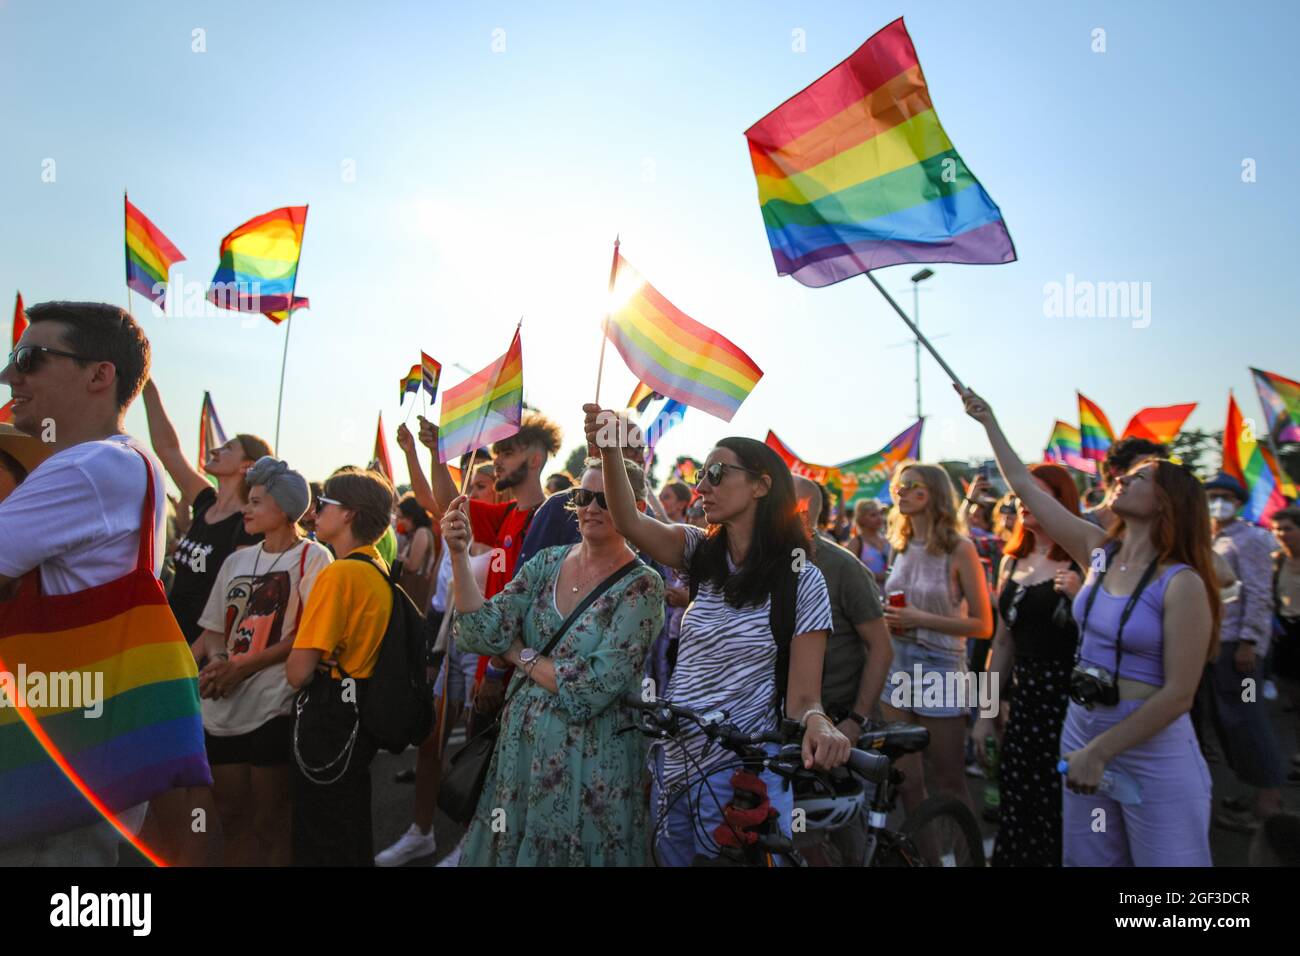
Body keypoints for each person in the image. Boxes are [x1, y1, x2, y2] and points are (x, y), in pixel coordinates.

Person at [960, 385, 1219, 867]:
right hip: (1080, 729)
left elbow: (1180, 694)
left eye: (1140, 477)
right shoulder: (1099, 551)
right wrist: (989, 421)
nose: (1121, 479)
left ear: (1168, 503)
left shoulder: (1182, 583)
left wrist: (1102, 751)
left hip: (1148, 746)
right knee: (1090, 858)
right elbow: (1026, 488)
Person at [582, 404, 849, 866]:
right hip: (675, 760)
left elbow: (805, 698)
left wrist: (820, 723)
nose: (702, 485)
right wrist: (608, 452)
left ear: (763, 485)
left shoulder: (801, 578)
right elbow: (629, 521)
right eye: (703, 474)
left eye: (717, 473)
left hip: (743, 773)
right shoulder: (698, 551)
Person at [0, 301, 212, 866]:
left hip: (46, 779)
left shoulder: (91, 467)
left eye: (30, 357)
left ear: (100, 375)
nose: (10, 374)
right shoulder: (125, 461)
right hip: (77, 760)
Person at [441, 457, 665, 864]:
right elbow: (483, 629)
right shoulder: (546, 563)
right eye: (583, 496)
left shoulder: (644, 586)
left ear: (638, 510)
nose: (592, 507)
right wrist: (459, 555)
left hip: (592, 768)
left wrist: (519, 653)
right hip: (519, 756)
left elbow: (590, 688)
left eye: (607, 498)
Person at [193, 457, 331, 866]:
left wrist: (243, 668)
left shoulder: (314, 557)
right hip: (222, 706)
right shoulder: (236, 561)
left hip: (274, 707)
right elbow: (215, 626)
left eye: (256, 502)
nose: (247, 510)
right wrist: (220, 662)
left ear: (286, 510)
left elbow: (307, 634)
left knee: (271, 824)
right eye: (246, 502)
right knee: (232, 819)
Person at [286, 467, 398, 866]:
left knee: (318, 838)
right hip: (360, 716)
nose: (315, 511)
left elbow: (298, 672)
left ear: (348, 513)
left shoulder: (338, 574)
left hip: (328, 719)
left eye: (324, 504)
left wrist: (308, 660)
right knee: (349, 833)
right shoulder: (377, 570)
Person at [973, 463, 1082, 866]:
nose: (1022, 503)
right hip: (1026, 705)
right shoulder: (1011, 561)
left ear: (1061, 501)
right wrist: (986, 715)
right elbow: (1002, 644)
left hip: (1073, 706)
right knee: (1019, 809)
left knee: (1065, 814)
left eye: (1035, 494)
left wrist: (1082, 596)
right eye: (1019, 495)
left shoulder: (1084, 560)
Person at [877, 461, 994, 819]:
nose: (901, 491)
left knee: (949, 783)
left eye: (912, 485)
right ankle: (926, 859)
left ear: (934, 494)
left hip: (940, 667)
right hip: (897, 664)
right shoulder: (900, 544)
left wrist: (920, 618)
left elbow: (983, 625)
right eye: (899, 485)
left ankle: (966, 855)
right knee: (907, 781)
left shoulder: (959, 548)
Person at [792, 477, 892, 863]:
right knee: (801, 832)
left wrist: (856, 720)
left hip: (844, 723)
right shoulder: (764, 561)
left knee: (851, 840)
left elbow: (881, 648)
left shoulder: (842, 566)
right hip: (795, 723)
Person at [140, 378, 271, 643]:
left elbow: (237, 604)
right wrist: (146, 384)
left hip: (200, 653)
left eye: (227, 448)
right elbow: (168, 450)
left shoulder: (247, 526)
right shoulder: (205, 502)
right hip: (166, 637)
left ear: (247, 465)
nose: (215, 450)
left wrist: (202, 653)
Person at [1201, 473, 1287, 832]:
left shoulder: (1250, 538)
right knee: (1229, 723)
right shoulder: (1209, 538)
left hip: (1241, 649)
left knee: (1248, 719)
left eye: (1225, 496)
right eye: (1212, 495)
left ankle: (1270, 801)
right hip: (1216, 645)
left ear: (1238, 502)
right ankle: (1255, 792)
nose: (1218, 502)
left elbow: (1259, 593)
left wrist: (1250, 642)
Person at [1270, 506, 1300, 783]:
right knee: (1292, 690)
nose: (1282, 534)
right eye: (1277, 529)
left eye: (1288, 528)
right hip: (1287, 634)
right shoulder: (1276, 561)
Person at [1084, 437, 1167, 531]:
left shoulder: (1163, 533)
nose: (1154, 482)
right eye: (1140, 473)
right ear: (1117, 471)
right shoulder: (1076, 528)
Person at [393, 493, 440, 615]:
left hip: (416, 593)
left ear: (411, 517)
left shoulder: (422, 532)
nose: (399, 521)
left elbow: (413, 565)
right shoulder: (415, 533)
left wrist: (395, 555)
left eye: (401, 517)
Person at [848, 499, 891, 586]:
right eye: (873, 515)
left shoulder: (888, 540)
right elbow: (851, 572)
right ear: (862, 519)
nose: (879, 518)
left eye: (880, 513)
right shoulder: (856, 542)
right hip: (869, 593)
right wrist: (878, 576)